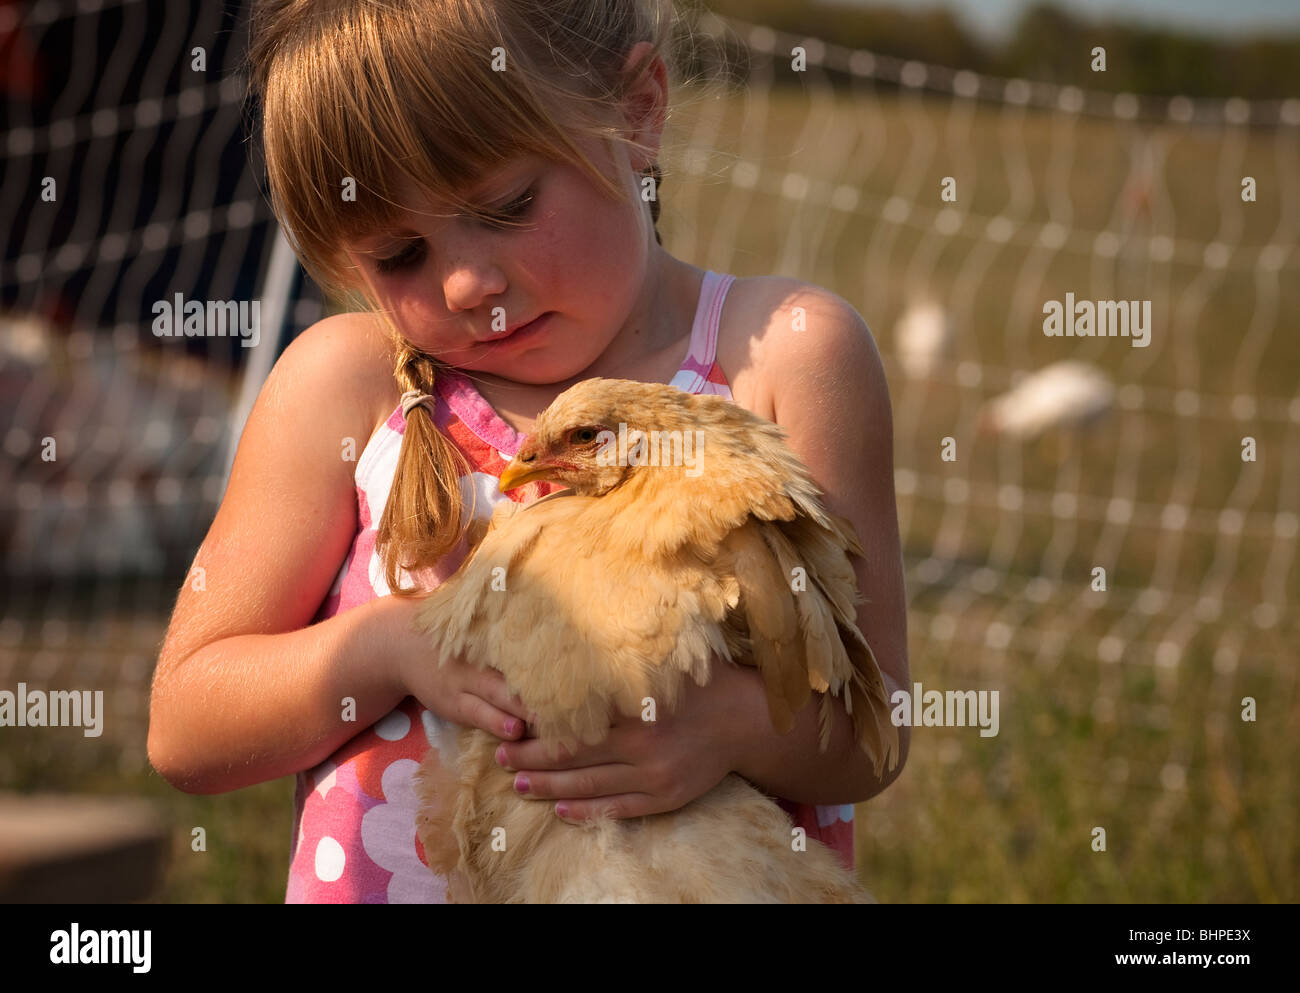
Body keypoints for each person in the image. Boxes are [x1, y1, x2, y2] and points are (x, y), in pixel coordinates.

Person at [147, 0, 911, 903]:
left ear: (637, 112)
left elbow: (877, 725)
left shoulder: (783, 355)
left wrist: (730, 727)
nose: (469, 282)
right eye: (398, 255)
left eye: (506, 206)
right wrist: (385, 649)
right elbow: (184, 725)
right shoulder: (344, 389)